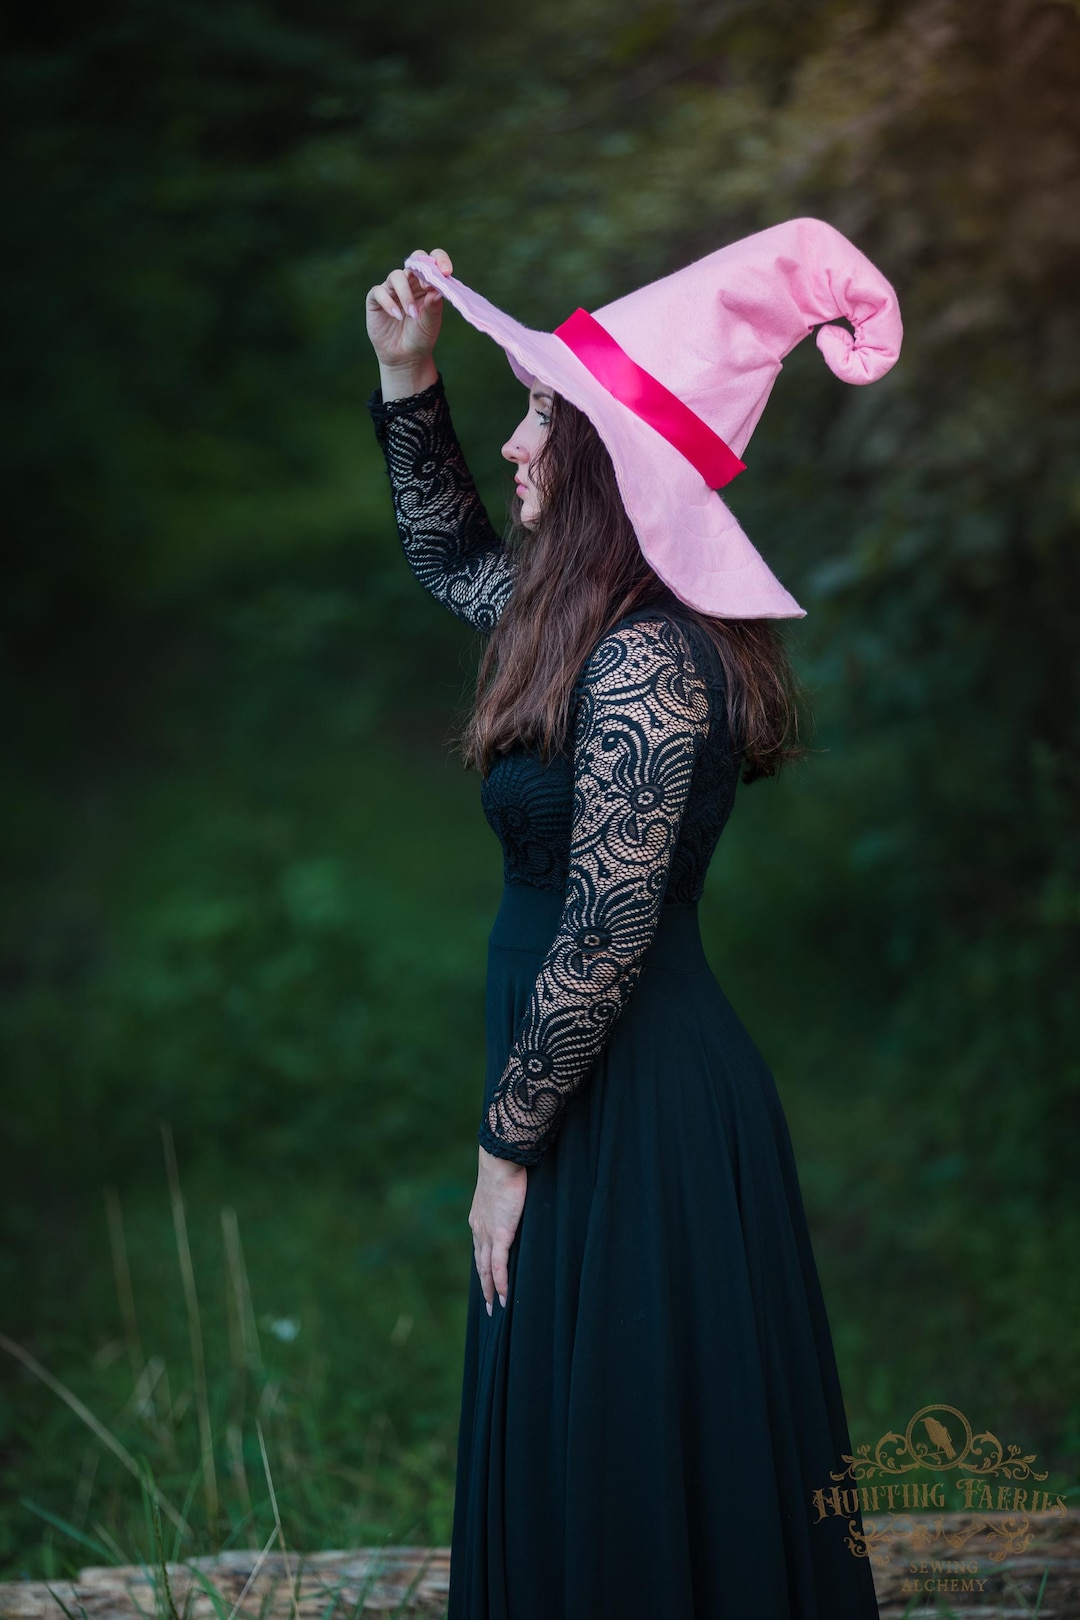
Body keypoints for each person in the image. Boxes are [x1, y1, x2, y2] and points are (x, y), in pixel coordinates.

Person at [365, 221, 901, 1620]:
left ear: (610, 462)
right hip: (577, 1081)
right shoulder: (578, 621)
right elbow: (449, 560)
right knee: (576, 1438)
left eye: (542, 422)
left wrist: (504, 1147)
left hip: (639, 1097)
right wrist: (409, 379)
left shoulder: (654, 661)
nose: (517, 446)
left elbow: (606, 931)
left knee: (632, 1448)